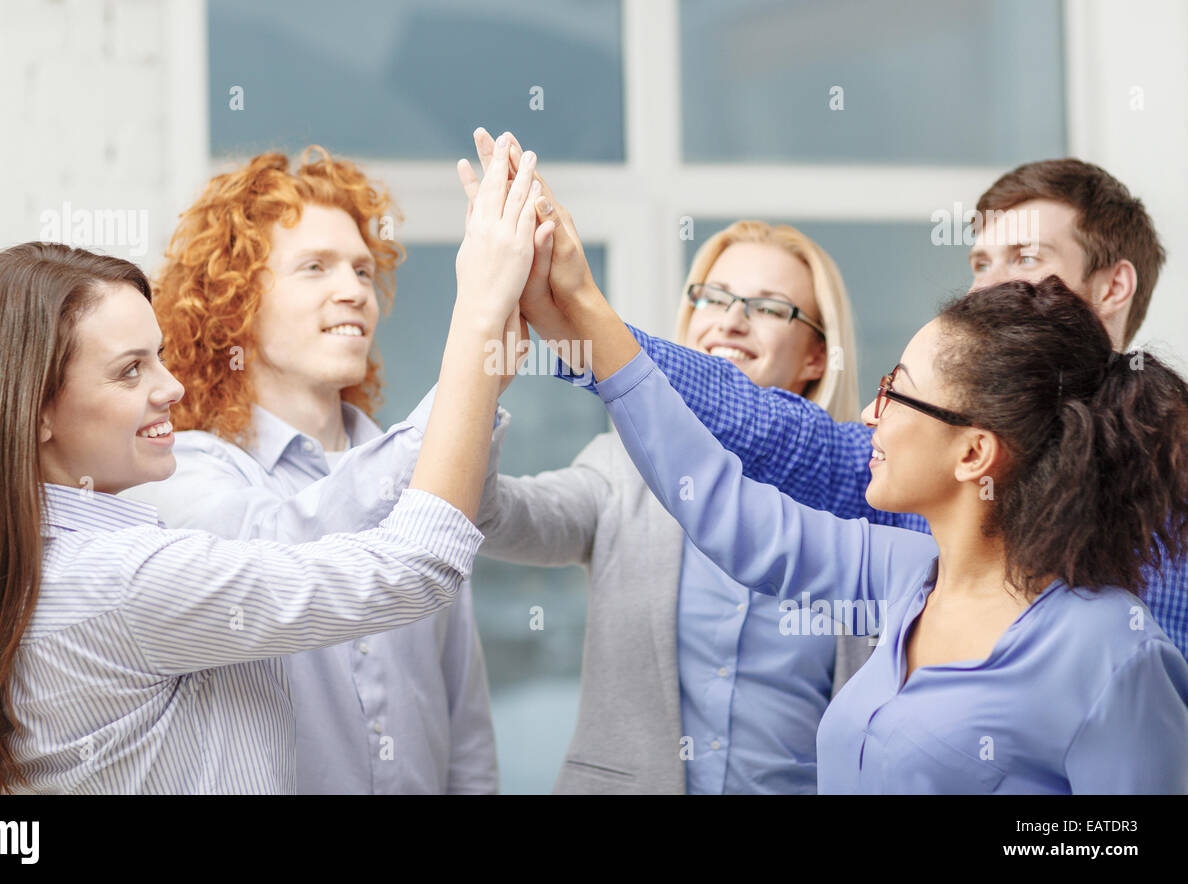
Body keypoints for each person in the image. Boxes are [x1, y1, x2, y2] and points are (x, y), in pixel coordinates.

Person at [0, 144, 549, 794]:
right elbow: (400, 563)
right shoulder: (136, 562)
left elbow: (462, 723)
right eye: (131, 370)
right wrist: (478, 331)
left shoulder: (85, 554)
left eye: (361, 268)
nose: (172, 389)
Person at [477, 131, 1188, 659]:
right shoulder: (915, 503)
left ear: (1114, 286)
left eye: (1026, 258)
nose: (991, 284)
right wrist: (575, 319)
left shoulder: (1167, 497)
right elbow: (774, 438)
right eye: (979, 261)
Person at [531, 243, 1188, 792]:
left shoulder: (1112, 655)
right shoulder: (906, 576)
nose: (872, 416)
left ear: (973, 451)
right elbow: (728, 510)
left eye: (895, 392)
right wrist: (576, 316)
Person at [123, 144, 510, 793]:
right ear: (235, 303)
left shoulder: (423, 479)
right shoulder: (186, 476)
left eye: (363, 270)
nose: (352, 290)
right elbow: (287, 544)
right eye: (315, 267)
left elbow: (464, 725)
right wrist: (472, 363)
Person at [472, 215, 871, 793]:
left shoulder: (859, 503)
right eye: (713, 298)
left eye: (768, 307)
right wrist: (479, 375)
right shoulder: (623, 467)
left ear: (817, 357)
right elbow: (489, 516)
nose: (731, 321)